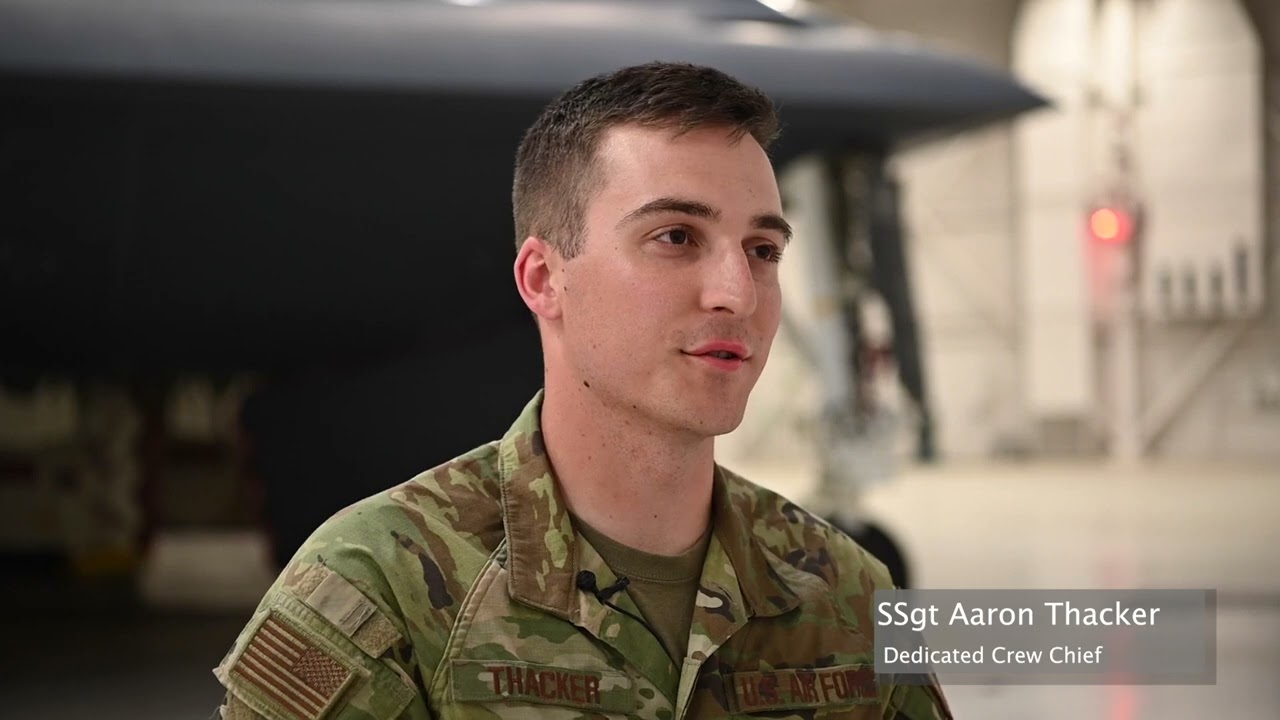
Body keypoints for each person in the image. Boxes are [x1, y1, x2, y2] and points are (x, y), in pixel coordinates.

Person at [212, 62, 952, 720]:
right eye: (675, 238)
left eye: (762, 250)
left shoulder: (845, 592)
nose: (738, 293)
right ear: (544, 279)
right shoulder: (379, 593)